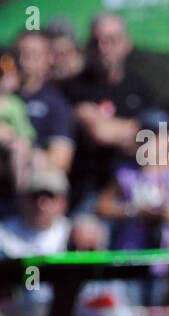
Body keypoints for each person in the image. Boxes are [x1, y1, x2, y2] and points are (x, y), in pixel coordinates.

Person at [62, 12, 155, 212]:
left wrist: (120, 130)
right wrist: (138, 130)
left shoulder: (142, 89)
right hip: (86, 193)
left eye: (111, 40)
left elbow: (157, 142)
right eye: (97, 42)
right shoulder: (73, 87)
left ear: (126, 43)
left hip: (131, 190)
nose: (103, 48)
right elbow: (100, 133)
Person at [0, 164, 82, 257]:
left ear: (63, 202)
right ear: (22, 199)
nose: (41, 205)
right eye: (35, 196)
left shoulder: (74, 236)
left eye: (50, 196)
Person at [15, 30, 74, 174]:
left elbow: (60, 161)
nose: (22, 62)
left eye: (31, 56)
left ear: (48, 59)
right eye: (18, 55)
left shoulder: (57, 103)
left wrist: (19, 156)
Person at [0, 49, 33, 221]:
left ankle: (20, 196)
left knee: (20, 150)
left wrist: (9, 137)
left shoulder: (15, 105)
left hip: (7, 148)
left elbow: (25, 135)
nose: (1, 81)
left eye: (6, 76)